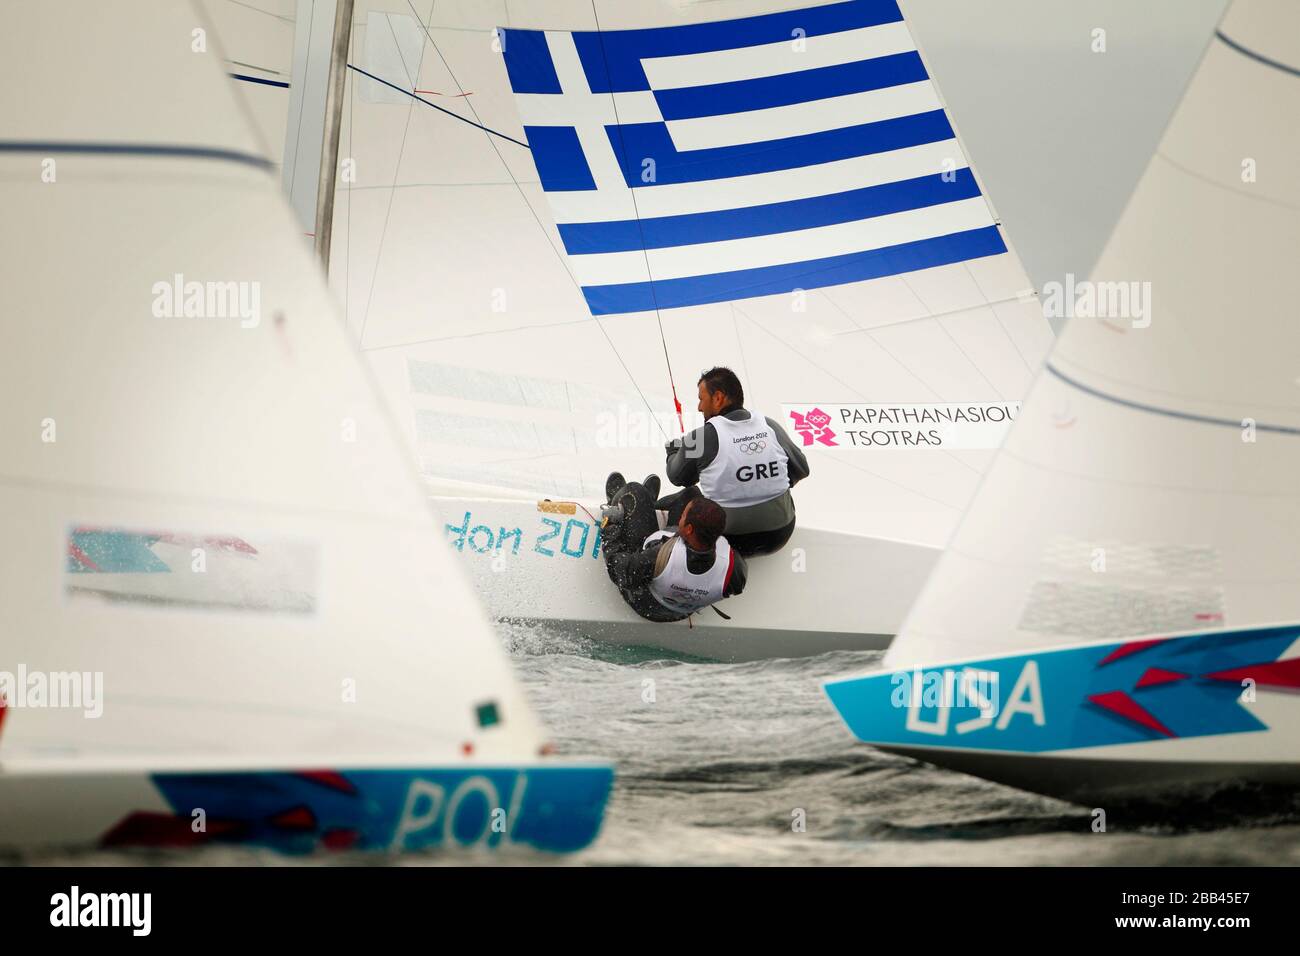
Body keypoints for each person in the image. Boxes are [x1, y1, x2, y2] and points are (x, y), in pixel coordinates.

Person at [660, 367, 809, 556]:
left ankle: (653, 517)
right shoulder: (769, 425)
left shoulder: (700, 437)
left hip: (729, 541)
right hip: (781, 534)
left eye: (701, 399)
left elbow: (677, 476)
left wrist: (674, 450)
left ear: (718, 398)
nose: (699, 407)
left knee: (689, 495)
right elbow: (801, 469)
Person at [600, 472, 746, 623]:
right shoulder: (736, 569)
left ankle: (622, 500)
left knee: (634, 492)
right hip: (683, 612)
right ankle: (648, 503)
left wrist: (610, 525)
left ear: (689, 529)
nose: (681, 515)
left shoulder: (660, 555)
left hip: (646, 604)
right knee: (692, 493)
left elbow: (619, 572)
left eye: (683, 515)